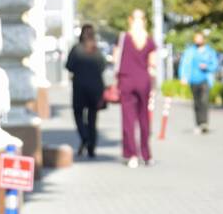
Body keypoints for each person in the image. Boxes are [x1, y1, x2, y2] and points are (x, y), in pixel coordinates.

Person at [114, 9, 157, 168]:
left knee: (128, 119)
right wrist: (153, 86)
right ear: (144, 21)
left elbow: (116, 60)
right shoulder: (149, 41)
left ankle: (131, 154)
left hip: (126, 80)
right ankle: (146, 155)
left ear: (130, 20)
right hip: (143, 81)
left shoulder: (123, 38)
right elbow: (153, 65)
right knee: (144, 117)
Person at [65, 24, 106, 159]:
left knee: (78, 114)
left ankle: (84, 136)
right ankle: (91, 147)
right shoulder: (96, 51)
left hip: (80, 87)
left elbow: (69, 66)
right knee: (92, 118)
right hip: (95, 88)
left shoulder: (77, 50)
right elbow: (102, 67)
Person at [179, 31, 219, 133]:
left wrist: (207, 67)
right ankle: (198, 123)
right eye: (196, 38)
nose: (197, 40)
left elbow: (215, 65)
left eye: (199, 38)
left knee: (204, 101)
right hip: (193, 80)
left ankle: (204, 123)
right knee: (197, 103)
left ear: (203, 39)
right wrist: (183, 77)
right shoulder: (190, 51)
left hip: (205, 79)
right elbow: (185, 64)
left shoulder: (209, 51)